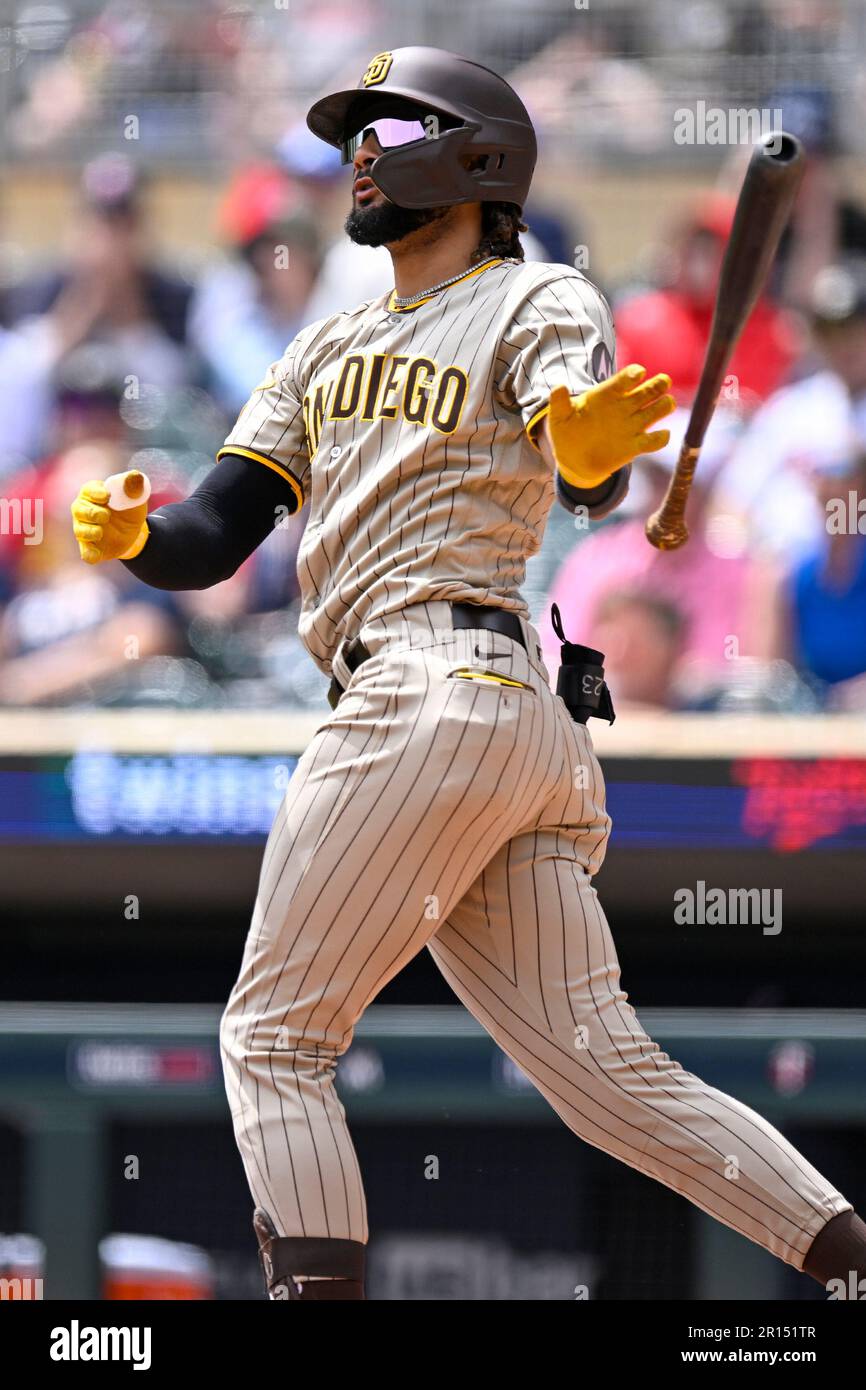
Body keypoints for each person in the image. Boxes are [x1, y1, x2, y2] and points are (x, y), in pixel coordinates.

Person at [70, 46, 865, 1301]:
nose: (361, 156)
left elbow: (582, 448)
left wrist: (592, 454)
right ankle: (851, 1262)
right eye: (355, 136)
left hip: (425, 687)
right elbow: (218, 528)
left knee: (272, 1035)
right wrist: (137, 541)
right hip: (502, 729)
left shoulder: (535, 295)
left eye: (387, 130)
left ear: (474, 155)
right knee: (606, 1075)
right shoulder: (324, 344)